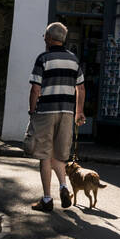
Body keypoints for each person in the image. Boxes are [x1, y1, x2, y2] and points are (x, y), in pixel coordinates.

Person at [25, 22, 86, 213]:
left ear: (50, 38)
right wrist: (79, 111)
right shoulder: (73, 59)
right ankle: (63, 187)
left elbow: (35, 89)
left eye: (45, 36)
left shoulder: (43, 58)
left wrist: (32, 110)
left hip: (46, 112)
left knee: (44, 155)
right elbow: (81, 87)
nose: (44, 39)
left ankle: (47, 199)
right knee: (59, 155)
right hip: (67, 113)